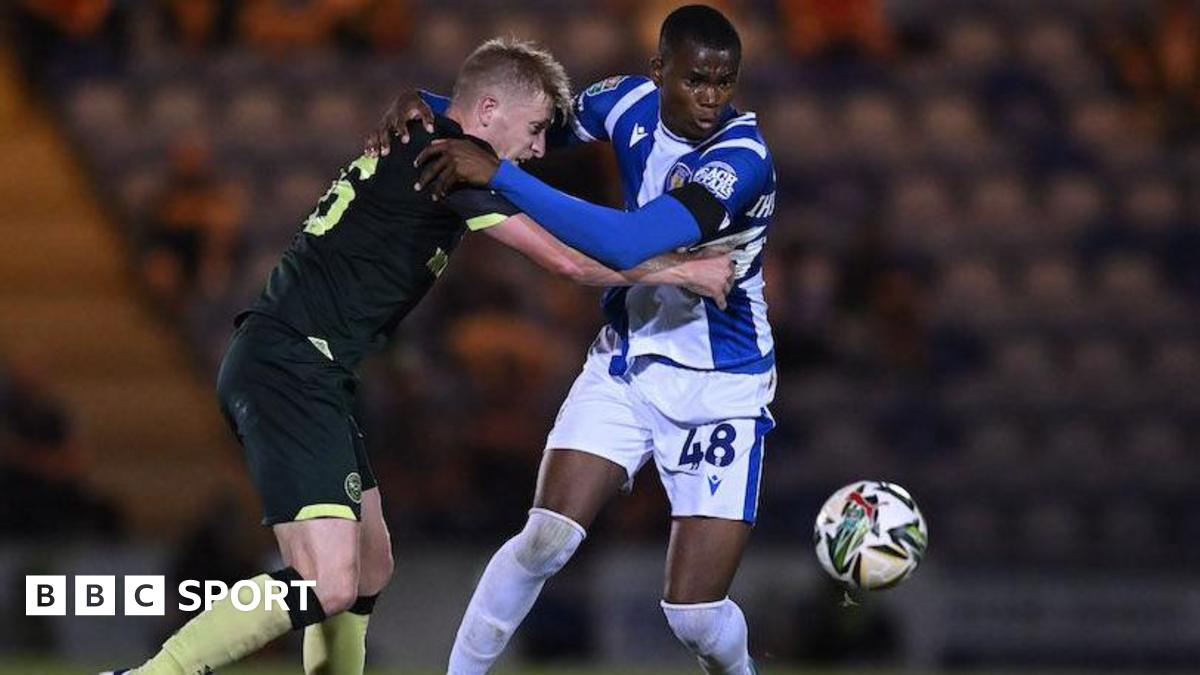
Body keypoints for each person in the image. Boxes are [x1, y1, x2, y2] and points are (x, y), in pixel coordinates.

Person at [103, 36, 734, 675]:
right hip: (290, 366)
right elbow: (569, 260)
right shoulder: (452, 165)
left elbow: (453, 104)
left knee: (370, 564)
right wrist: (684, 271)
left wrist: (420, 96)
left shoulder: (424, 132)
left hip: (303, 366)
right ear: (489, 110)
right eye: (537, 129)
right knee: (328, 583)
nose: (540, 149)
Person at [371, 5, 776, 673]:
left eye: (723, 83)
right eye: (696, 80)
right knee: (544, 538)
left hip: (721, 383)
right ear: (659, 72)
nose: (710, 99)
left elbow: (627, 242)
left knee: (695, 617)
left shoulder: (742, 159)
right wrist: (438, 107)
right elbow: (532, 130)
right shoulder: (622, 102)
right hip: (625, 359)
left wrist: (496, 173)